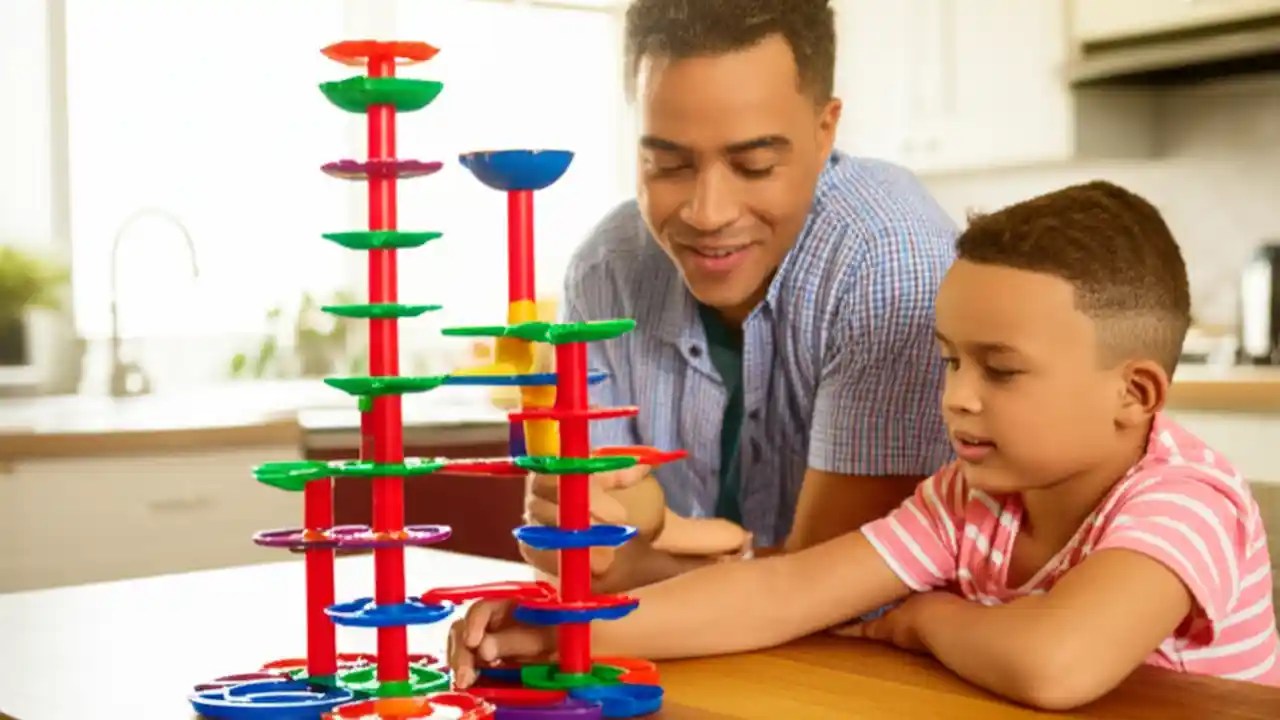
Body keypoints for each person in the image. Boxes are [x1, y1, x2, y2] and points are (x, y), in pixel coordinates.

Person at [451, 181, 1280, 709]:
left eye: (1001, 370)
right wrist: (566, 627)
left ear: (1135, 396)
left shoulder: (1183, 500)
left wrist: (930, 620)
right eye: (951, 360)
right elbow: (782, 593)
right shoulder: (967, 496)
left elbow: (1056, 665)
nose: (958, 396)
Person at [521, 0, 957, 592]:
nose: (708, 214)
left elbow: (839, 589)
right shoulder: (606, 270)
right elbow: (587, 559)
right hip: (673, 640)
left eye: (754, 165)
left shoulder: (888, 258)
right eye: (667, 164)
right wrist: (581, 547)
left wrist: (647, 567)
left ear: (825, 130)